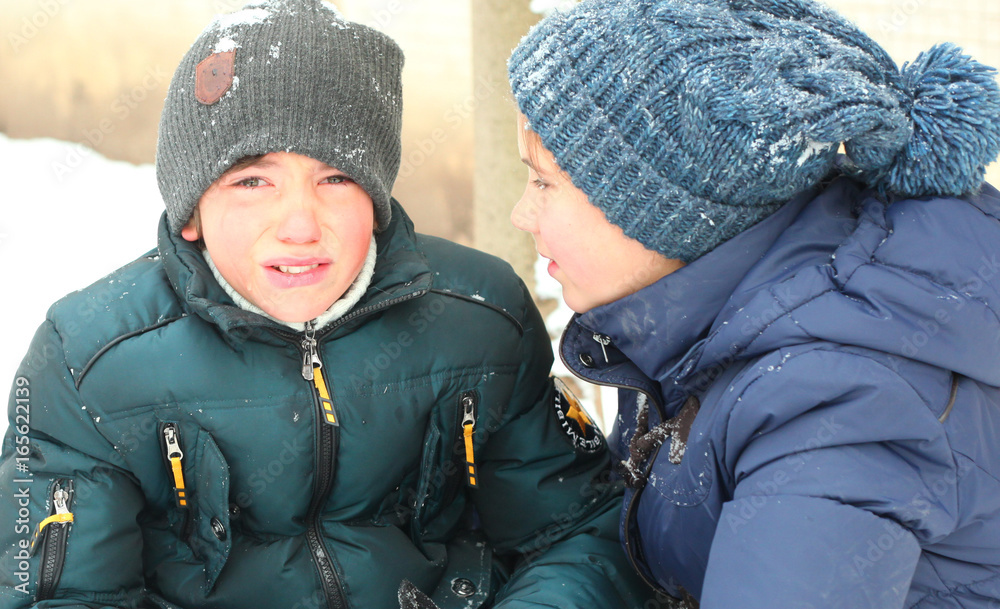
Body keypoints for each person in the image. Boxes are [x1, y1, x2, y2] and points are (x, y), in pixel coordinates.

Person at [0, 1, 658, 607]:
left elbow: (578, 530)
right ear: (192, 210)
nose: (299, 225)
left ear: (375, 198)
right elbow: (60, 594)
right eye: (253, 181)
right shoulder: (89, 360)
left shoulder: (481, 319)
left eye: (335, 178)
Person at [507, 0, 1000, 607]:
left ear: (666, 209)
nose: (520, 215)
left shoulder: (833, 404)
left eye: (544, 181)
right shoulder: (698, 313)